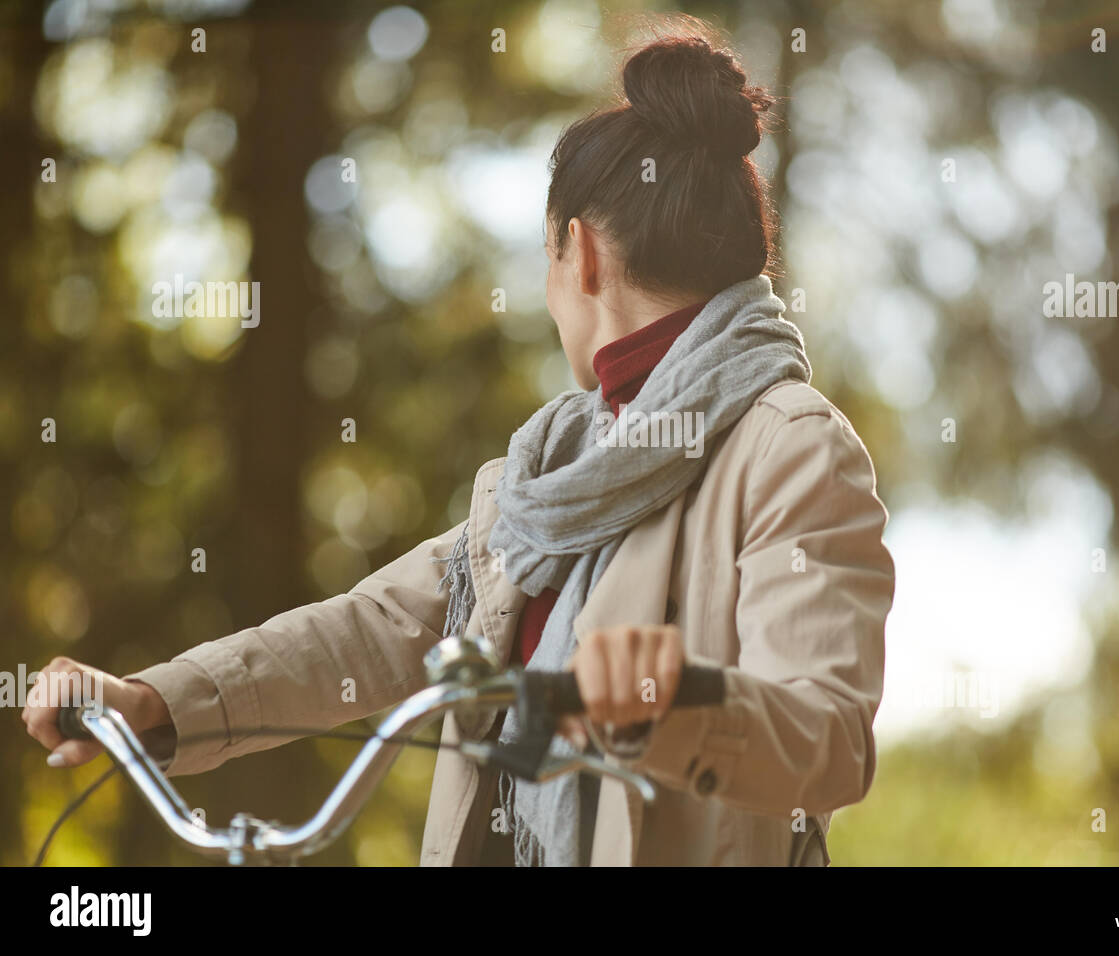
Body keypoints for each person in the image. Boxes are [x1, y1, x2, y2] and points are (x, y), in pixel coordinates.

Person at [23, 25, 895, 867]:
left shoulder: (790, 448)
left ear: (580, 258)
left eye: (546, 261)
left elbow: (827, 737)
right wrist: (153, 702)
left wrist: (670, 700)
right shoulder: (549, 472)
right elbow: (374, 632)